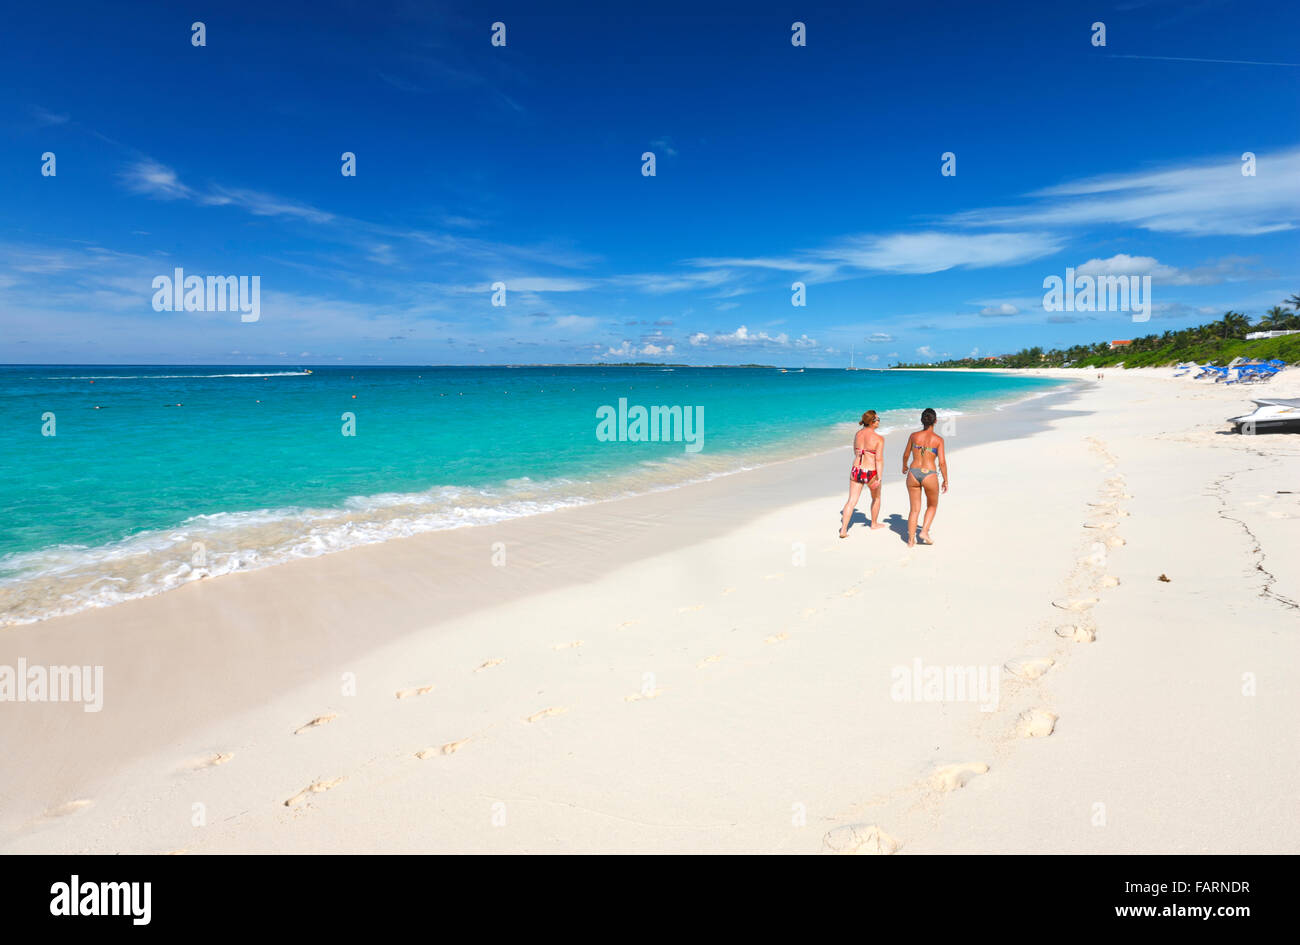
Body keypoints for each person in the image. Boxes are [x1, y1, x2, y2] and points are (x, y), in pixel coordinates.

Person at [902, 407, 948, 547]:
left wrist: (904, 466)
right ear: (936, 421)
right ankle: (924, 532)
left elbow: (906, 454)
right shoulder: (938, 440)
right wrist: (946, 480)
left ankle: (910, 540)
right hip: (929, 474)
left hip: (913, 473)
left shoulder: (914, 436)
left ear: (922, 421)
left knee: (914, 509)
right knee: (932, 505)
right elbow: (942, 462)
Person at [839, 410, 885, 538]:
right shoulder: (879, 439)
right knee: (876, 498)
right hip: (871, 471)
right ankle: (874, 524)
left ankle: (843, 530)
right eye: (877, 419)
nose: (879, 421)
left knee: (851, 500)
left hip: (856, 469)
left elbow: (856, 451)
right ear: (872, 422)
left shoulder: (858, 434)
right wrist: (879, 477)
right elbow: (879, 459)